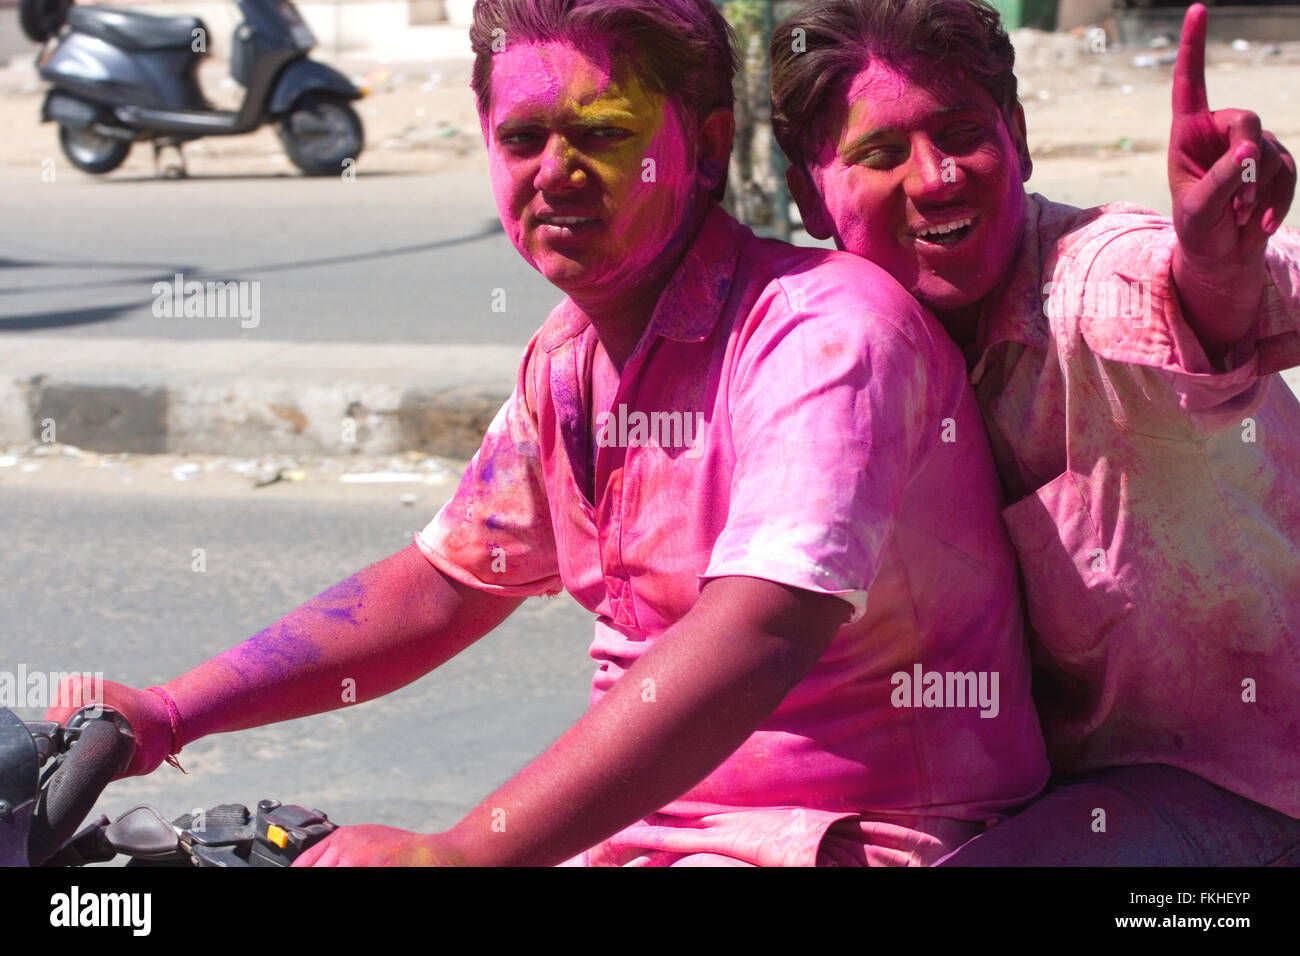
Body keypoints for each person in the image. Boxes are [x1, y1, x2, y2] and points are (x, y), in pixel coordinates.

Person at [48, 0, 1048, 867]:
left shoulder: (826, 334)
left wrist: (468, 847)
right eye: (524, 138)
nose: (557, 172)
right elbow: (447, 582)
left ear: (700, 148)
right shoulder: (569, 360)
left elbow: (762, 628)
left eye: (602, 134)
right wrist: (171, 710)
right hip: (652, 836)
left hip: (853, 837)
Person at [770, 0, 1300, 864]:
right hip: (1040, 793)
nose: (936, 176)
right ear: (809, 196)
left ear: (1016, 140)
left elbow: (1177, 292)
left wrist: (1213, 268)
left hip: (1253, 787)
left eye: (961, 132)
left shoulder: (1089, 277)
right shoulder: (843, 344)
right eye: (882, 152)